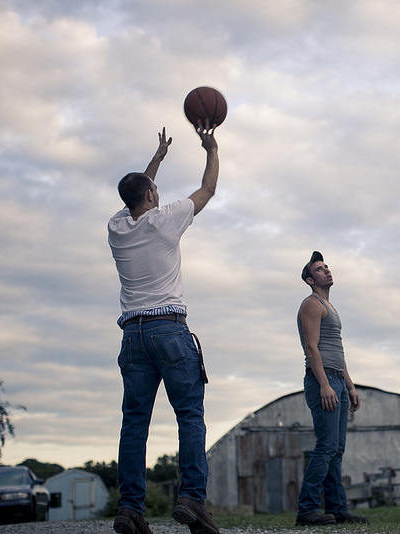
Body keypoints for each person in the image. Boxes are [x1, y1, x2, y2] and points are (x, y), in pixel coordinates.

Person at [108, 123, 220, 534]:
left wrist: (155, 160)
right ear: (153, 197)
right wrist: (211, 149)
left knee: (134, 422)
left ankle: (130, 509)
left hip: (132, 337)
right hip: (168, 330)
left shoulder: (116, 228)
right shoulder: (166, 220)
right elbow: (206, 190)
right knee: (189, 416)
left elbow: (137, 191)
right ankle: (191, 498)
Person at [294, 251, 369, 526]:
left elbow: (337, 352)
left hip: (337, 379)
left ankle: (337, 508)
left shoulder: (331, 308)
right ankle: (307, 509)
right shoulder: (311, 304)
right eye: (319, 269)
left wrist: (350, 386)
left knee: (336, 449)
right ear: (309, 279)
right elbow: (312, 348)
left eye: (327, 267)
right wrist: (325, 384)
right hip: (322, 380)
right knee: (325, 447)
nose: (327, 271)